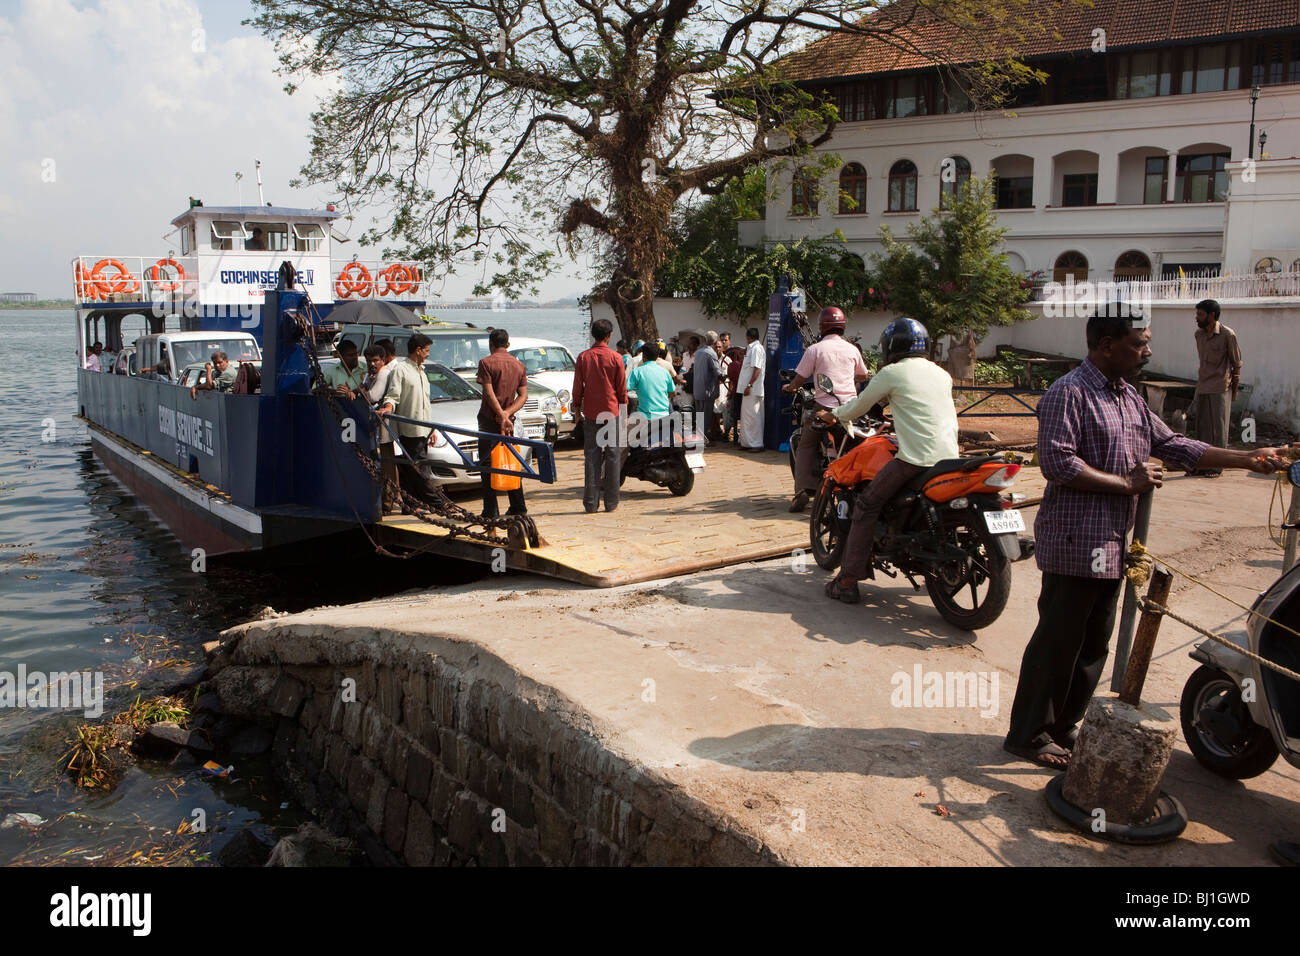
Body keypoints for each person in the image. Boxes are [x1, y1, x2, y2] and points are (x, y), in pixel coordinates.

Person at [1002, 305, 1292, 770]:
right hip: (1076, 541)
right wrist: (1126, 484)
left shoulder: (1128, 396)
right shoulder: (1068, 393)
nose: (1148, 351)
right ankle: (1027, 734)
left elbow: (1175, 445)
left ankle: (1061, 727)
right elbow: (1057, 463)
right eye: (1139, 344)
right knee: (1058, 642)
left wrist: (1248, 457)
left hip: (1115, 544)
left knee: (1094, 645)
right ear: (1105, 346)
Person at [818, 318, 958, 603]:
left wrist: (835, 415)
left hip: (915, 459)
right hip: (950, 458)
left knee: (867, 504)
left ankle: (846, 581)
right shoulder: (942, 374)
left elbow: (859, 405)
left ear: (891, 347)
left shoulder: (892, 373)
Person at [781, 306, 870, 511]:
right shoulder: (852, 349)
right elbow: (863, 375)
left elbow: (800, 378)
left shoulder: (815, 349)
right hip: (851, 408)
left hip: (825, 407)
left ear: (822, 326)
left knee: (806, 445)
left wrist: (790, 387)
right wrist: (848, 377)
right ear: (842, 327)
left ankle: (802, 491)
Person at [572, 318, 627, 513]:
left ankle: (590, 503)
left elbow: (577, 388)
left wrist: (577, 410)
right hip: (612, 412)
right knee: (613, 457)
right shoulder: (616, 358)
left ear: (593, 334)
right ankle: (611, 502)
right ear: (609, 335)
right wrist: (624, 413)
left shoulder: (583, 357)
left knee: (591, 456)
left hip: (591, 413)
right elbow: (622, 390)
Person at [475, 328, 529, 520]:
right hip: (509, 422)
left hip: (490, 420)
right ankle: (518, 505)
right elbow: (523, 396)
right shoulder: (518, 365)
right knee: (511, 461)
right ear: (508, 344)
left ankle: (491, 509)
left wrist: (500, 414)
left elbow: (488, 393)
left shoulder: (486, 363)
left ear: (491, 344)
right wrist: (508, 414)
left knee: (487, 464)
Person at [377, 333, 437, 503]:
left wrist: (431, 429)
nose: (428, 354)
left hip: (423, 429)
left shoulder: (422, 372)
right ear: (418, 350)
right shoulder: (401, 370)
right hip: (409, 429)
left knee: (413, 469)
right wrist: (388, 407)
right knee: (418, 469)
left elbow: (426, 404)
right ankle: (436, 502)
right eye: (426, 350)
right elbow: (393, 395)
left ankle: (411, 503)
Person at [1190, 298, 1243, 478]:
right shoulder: (1199, 335)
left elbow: (1237, 364)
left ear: (1212, 316)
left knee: (1218, 430)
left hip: (1220, 387)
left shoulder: (1228, 334)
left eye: (1200, 314)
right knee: (1202, 428)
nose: (1197, 318)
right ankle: (1201, 464)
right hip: (1203, 385)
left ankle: (1216, 467)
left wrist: (1233, 390)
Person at [627, 342, 675, 444]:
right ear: (658, 356)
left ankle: (617, 460)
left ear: (643, 356)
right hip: (664, 416)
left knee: (624, 439)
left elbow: (625, 389)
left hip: (645, 418)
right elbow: (672, 392)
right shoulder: (665, 372)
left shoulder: (637, 372)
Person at [737, 327, 767, 451]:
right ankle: (746, 443)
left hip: (753, 389)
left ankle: (756, 444)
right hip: (748, 389)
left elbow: (757, 369)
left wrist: (750, 385)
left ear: (748, 337)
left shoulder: (756, 349)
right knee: (747, 417)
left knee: (753, 417)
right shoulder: (751, 348)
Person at [691, 331, 722, 441]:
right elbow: (718, 372)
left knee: (699, 416)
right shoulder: (711, 353)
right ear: (715, 341)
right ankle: (701, 439)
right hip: (707, 391)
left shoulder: (698, 352)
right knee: (705, 417)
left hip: (698, 390)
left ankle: (698, 437)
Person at [724, 344, 745, 441]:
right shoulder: (746, 366)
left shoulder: (733, 365)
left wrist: (730, 391)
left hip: (736, 392)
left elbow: (731, 379)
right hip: (745, 393)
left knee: (736, 415)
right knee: (743, 415)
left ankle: (736, 436)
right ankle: (741, 436)